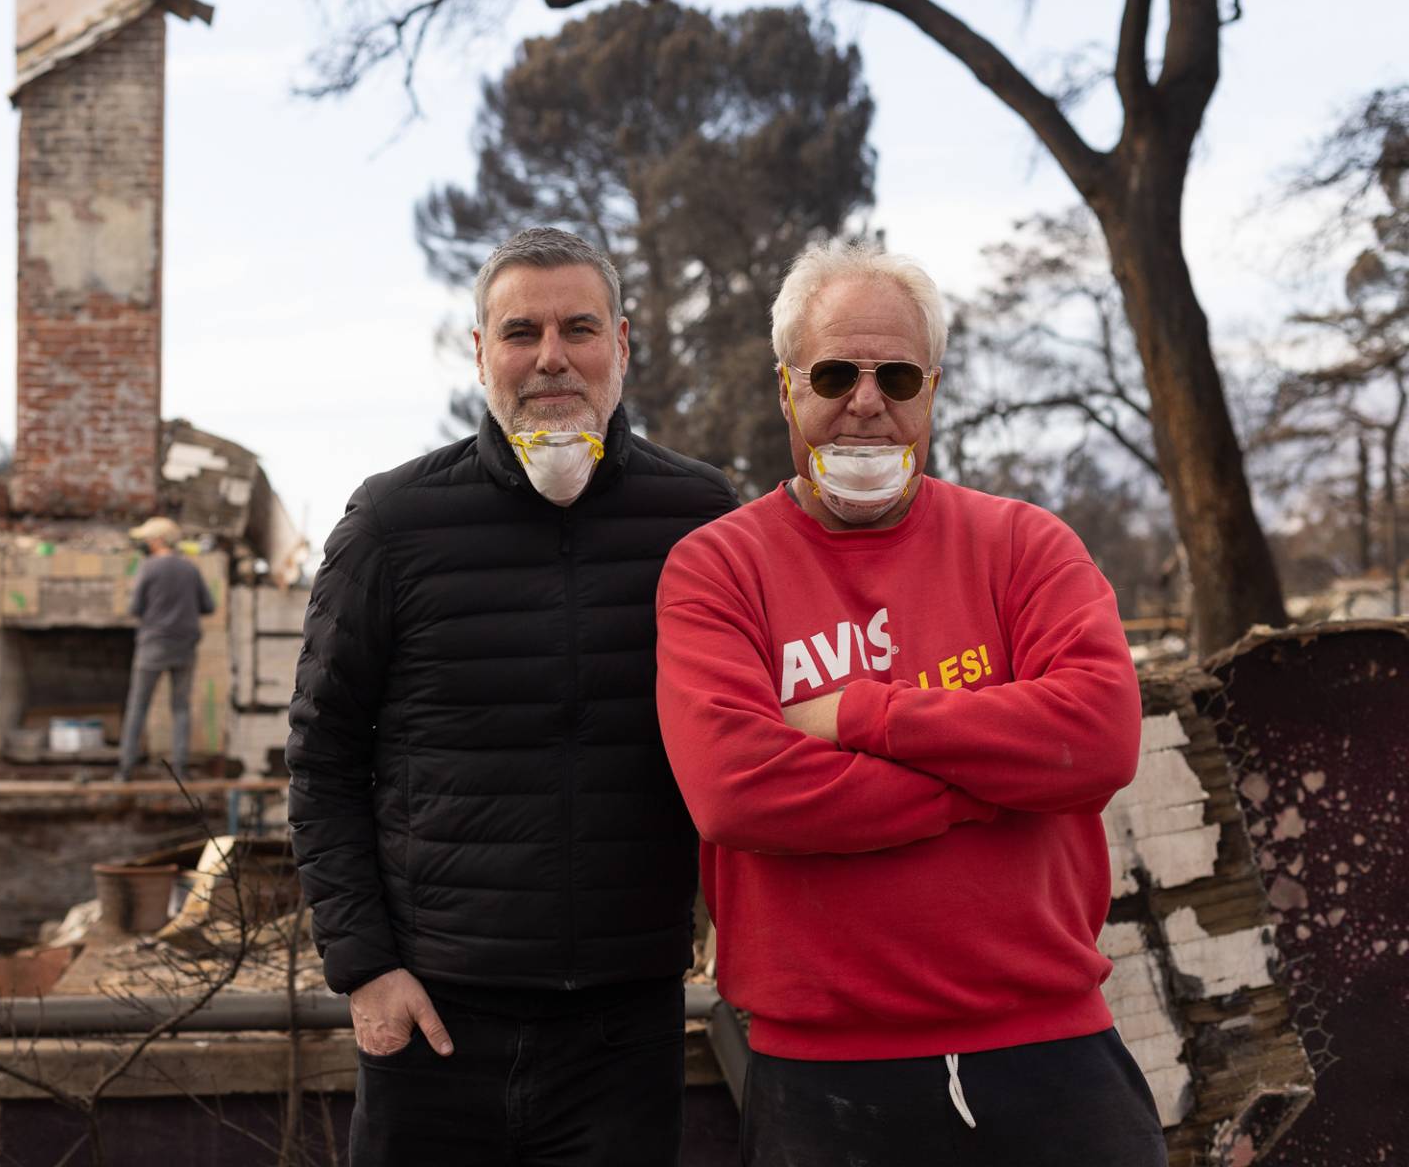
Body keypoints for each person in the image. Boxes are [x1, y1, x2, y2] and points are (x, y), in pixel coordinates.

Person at [655, 239, 1165, 1167]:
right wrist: (999, 777)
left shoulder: (1026, 546)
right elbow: (736, 791)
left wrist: (859, 717)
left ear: (930, 388)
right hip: (822, 1083)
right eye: (834, 373)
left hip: (1053, 1060)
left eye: (896, 374)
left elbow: (1096, 738)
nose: (865, 401)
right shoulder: (717, 568)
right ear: (785, 389)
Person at [287, 227, 737, 1167]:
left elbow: (748, 749)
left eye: (578, 328)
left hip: (625, 1024)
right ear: (479, 351)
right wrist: (366, 969)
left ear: (623, 342)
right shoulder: (393, 523)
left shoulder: (701, 521)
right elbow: (323, 758)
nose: (550, 358)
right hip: (434, 1020)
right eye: (520, 331)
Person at [116, 515, 216, 779]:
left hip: (153, 646)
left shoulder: (148, 568)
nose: (145, 544)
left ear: (159, 540)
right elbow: (209, 606)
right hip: (184, 648)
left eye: (148, 539)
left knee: (138, 706)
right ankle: (181, 770)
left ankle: (125, 770)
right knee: (180, 708)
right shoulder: (190, 569)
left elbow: (135, 608)